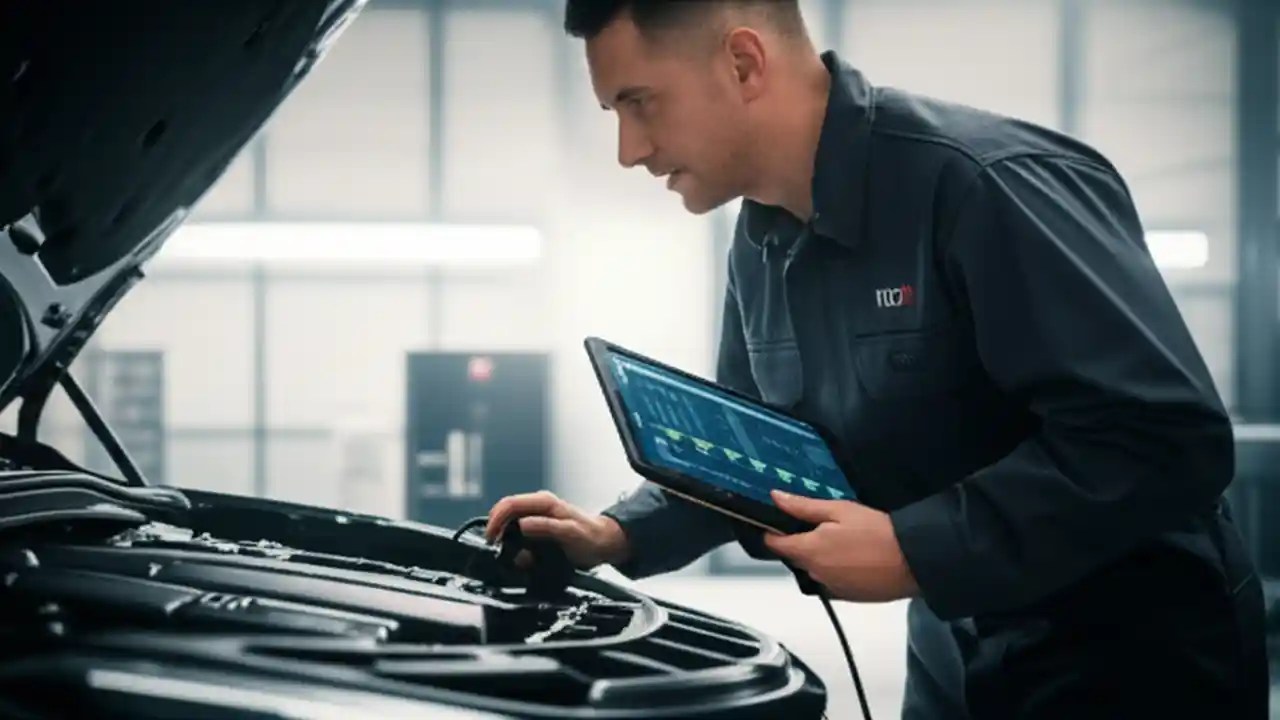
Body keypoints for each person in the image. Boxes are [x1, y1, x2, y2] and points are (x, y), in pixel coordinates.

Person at [485, 1, 1271, 717]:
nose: (628, 151)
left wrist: (916, 548)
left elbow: (1162, 437)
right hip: (951, 651)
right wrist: (615, 533)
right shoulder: (760, 242)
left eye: (639, 103)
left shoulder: (984, 184)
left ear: (744, 63)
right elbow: (749, 456)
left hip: (1130, 661)